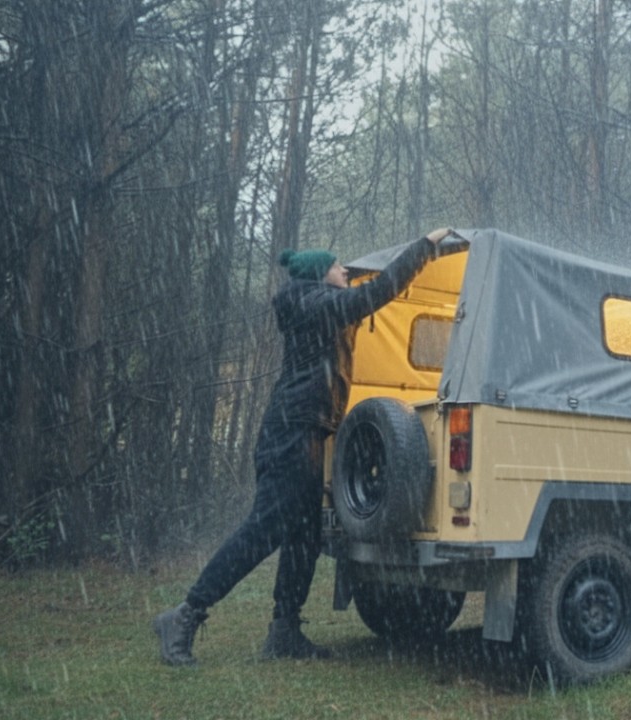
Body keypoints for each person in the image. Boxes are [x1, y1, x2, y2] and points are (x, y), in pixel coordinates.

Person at [153, 228, 451, 666]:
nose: (344, 269)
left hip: (306, 433)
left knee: (304, 536)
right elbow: (376, 295)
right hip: (290, 433)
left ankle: (284, 630)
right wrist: (424, 248)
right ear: (317, 275)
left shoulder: (315, 304)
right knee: (265, 530)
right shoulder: (314, 304)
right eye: (336, 265)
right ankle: (185, 615)